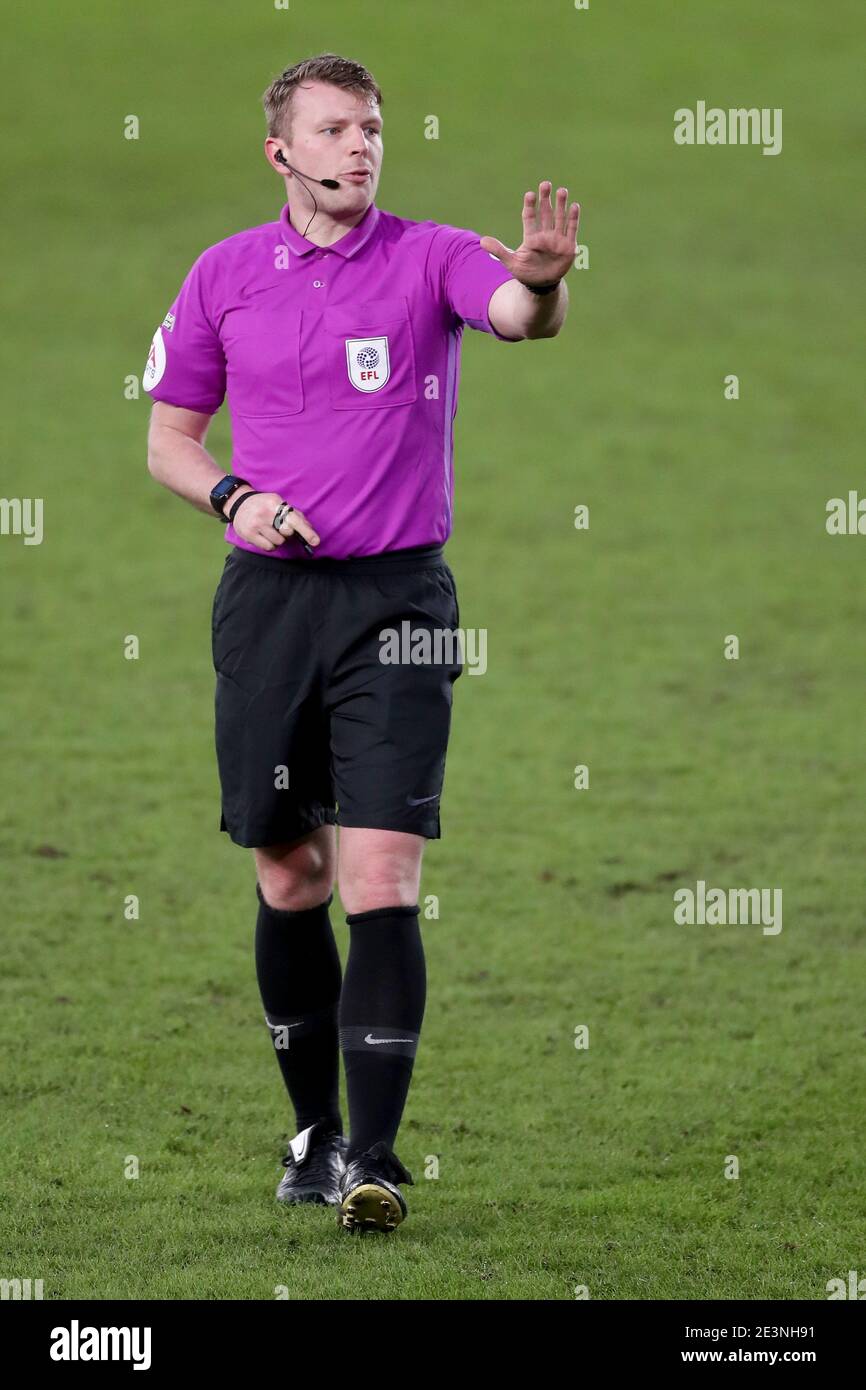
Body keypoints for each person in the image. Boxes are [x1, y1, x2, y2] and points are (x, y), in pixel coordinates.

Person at [144, 52, 577, 1234]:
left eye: (372, 128)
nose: (359, 146)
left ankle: (375, 1159)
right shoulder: (223, 275)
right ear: (280, 152)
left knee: (383, 875)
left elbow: (514, 318)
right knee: (291, 873)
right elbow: (169, 439)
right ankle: (312, 1135)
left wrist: (539, 283)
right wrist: (235, 497)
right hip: (269, 605)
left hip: (400, 609)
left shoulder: (429, 254)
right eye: (333, 129)